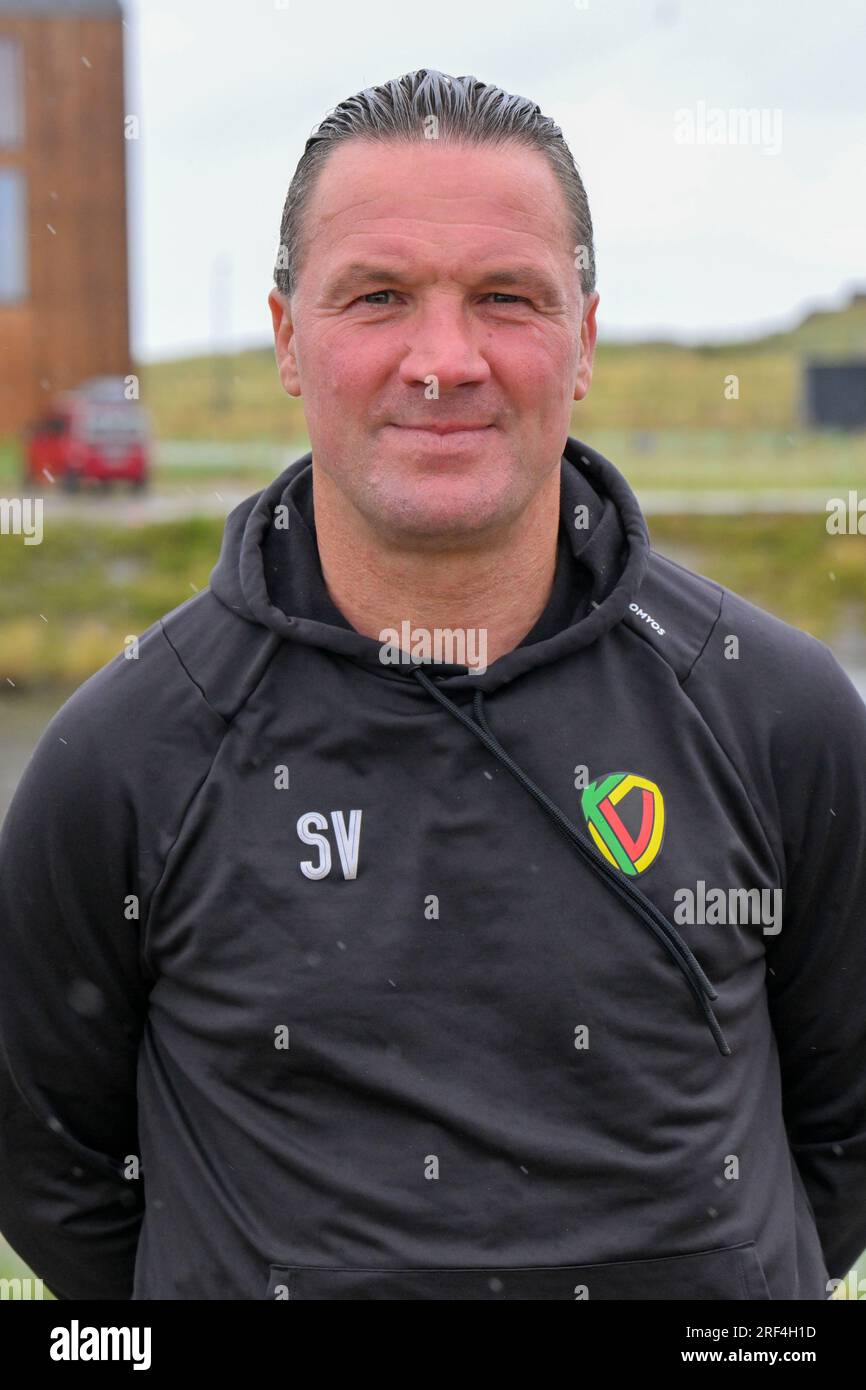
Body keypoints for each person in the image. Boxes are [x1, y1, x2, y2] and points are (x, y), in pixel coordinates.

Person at [1, 68, 865, 1302]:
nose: (443, 358)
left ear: (584, 339)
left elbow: (841, 1133)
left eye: (506, 297)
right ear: (290, 337)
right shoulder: (125, 757)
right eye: (379, 296)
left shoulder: (781, 715)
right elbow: (52, 1164)